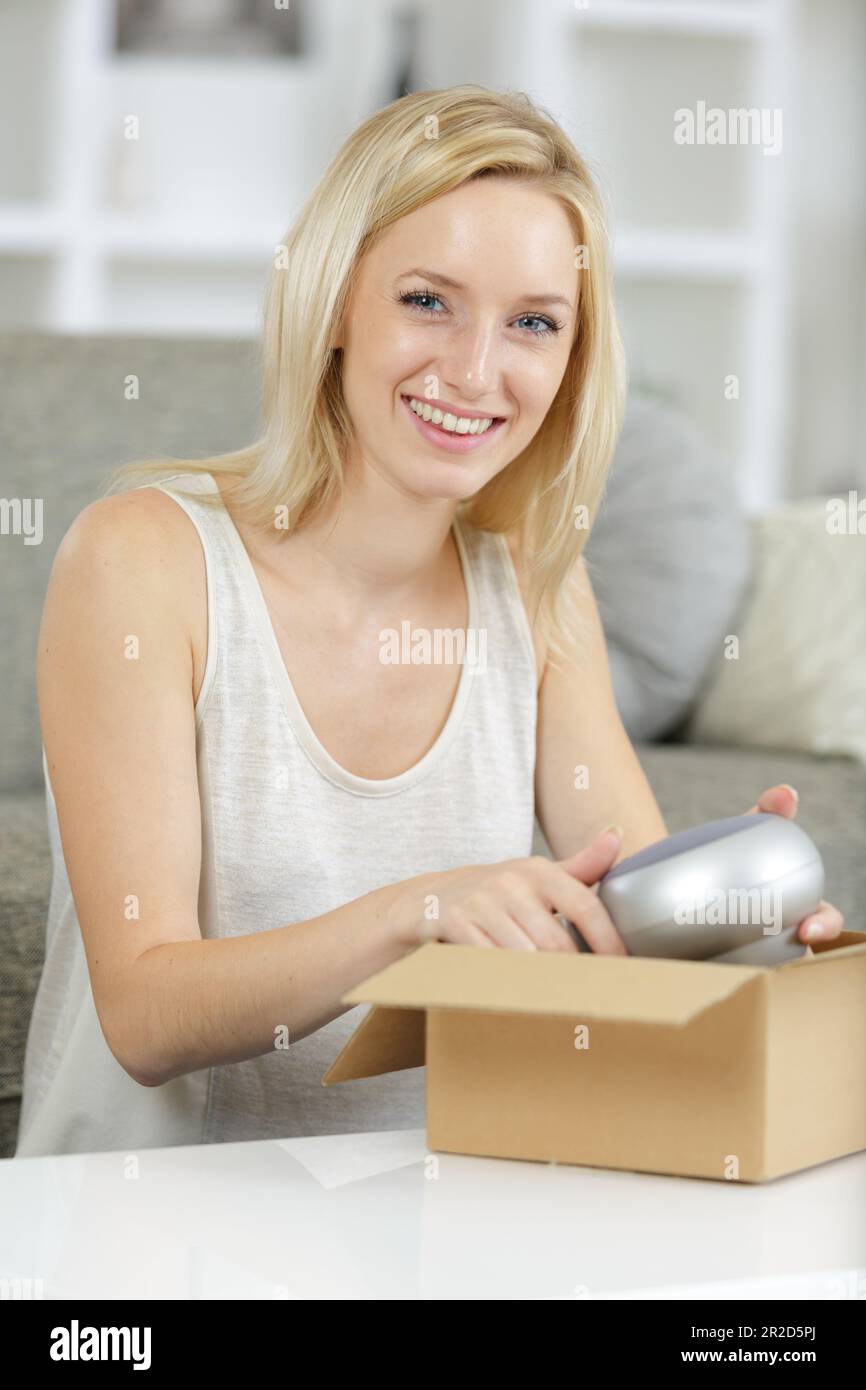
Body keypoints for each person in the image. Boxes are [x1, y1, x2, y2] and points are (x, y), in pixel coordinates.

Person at [17, 85, 844, 1158]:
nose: (472, 370)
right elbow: (144, 1013)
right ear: (334, 305)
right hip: (152, 1241)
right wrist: (412, 911)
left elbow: (632, 928)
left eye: (533, 323)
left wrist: (750, 934)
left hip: (421, 1223)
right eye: (426, 300)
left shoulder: (537, 592)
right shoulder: (139, 561)